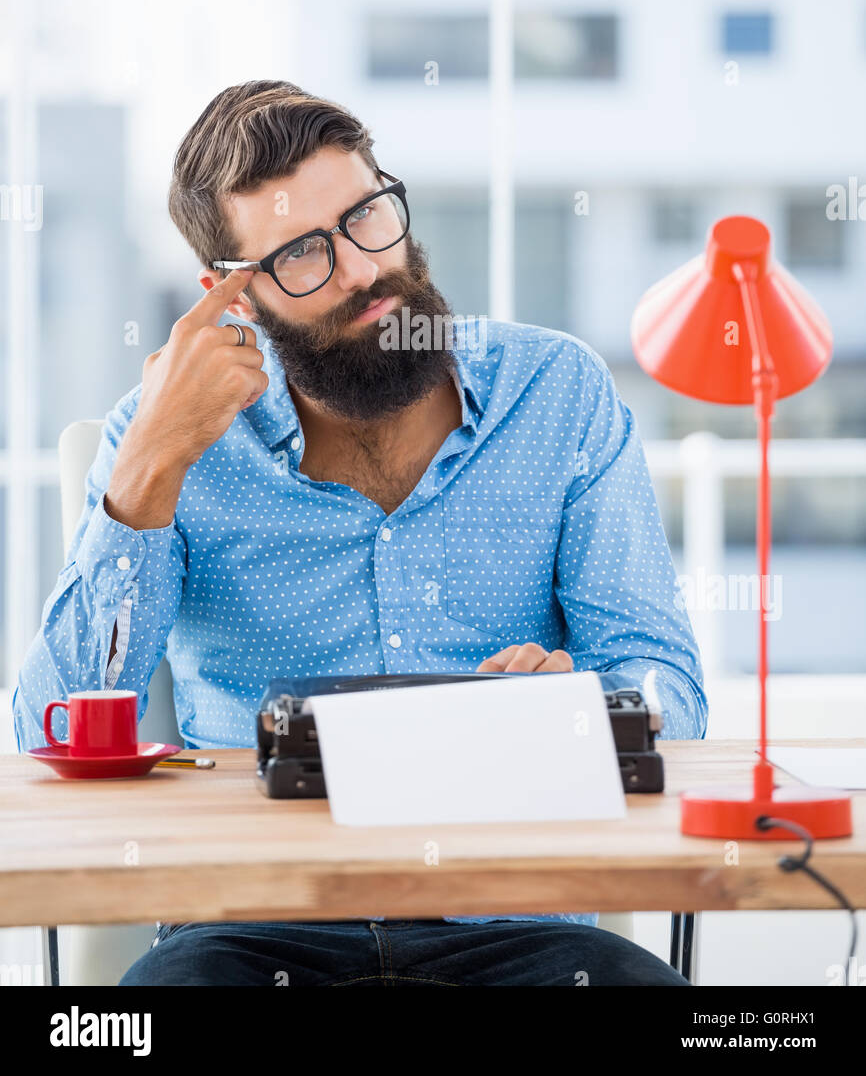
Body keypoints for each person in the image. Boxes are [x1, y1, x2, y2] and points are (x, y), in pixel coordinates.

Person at [14, 79, 706, 986]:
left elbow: (673, 702)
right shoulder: (171, 438)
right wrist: (147, 469)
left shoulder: (558, 396)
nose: (359, 271)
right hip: (250, 932)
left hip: (524, 932)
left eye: (367, 215)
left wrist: (580, 703)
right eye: (301, 253)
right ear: (233, 295)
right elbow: (49, 736)